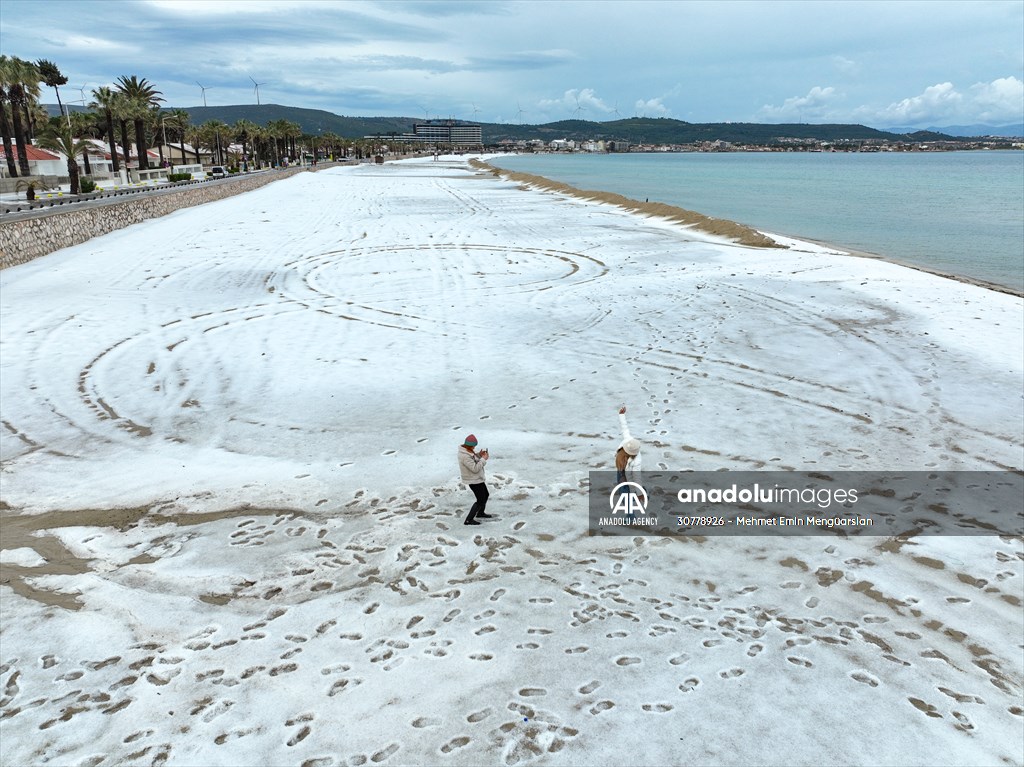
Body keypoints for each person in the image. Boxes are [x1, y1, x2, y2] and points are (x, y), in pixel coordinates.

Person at [458, 434, 492, 525]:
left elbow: (473, 459)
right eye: (473, 446)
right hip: (473, 481)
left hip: (477, 479)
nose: (474, 447)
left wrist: (479, 455)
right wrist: (484, 459)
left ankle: (480, 513)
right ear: (469, 445)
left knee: (486, 495)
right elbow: (475, 468)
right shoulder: (464, 456)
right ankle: (468, 520)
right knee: (480, 500)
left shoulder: (468, 451)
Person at [615, 406, 642, 485]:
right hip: (621, 469)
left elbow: (637, 477)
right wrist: (621, 415)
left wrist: (639, 493)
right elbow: (624, 428)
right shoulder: (628, 440)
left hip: (627, 475)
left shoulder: (637, 460)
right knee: (622, 487)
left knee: (625, 489)